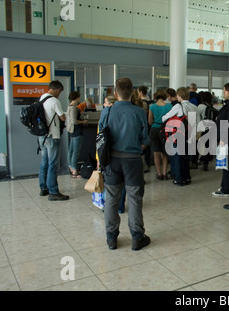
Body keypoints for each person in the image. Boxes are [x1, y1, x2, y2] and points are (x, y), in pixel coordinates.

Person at [98, 77, 150, 251]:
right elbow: (145, 139)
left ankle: (111, 237)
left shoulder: (107, 112)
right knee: (135, 199)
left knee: (112, 198)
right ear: (133, 91)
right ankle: (137, 236)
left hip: (112, 160)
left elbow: (100, 138)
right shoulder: (139, 112)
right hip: (133, 160)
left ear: (115, 92)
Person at [162, 86, 200, 186]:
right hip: (191, 137)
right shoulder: (195, 107)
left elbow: (164, 118)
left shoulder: (178, 107)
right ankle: (187, 177)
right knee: (186, 159)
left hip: (179, 136)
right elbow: (199, 123)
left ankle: (179, 179)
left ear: (179, 96)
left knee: (178, 158)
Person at [38, 80, 70, 201]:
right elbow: (62, 117)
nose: (59, 94)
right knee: (53, 164)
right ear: (57, 89)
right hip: (52, 135)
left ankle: (43, 188)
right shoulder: (54, 101)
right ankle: (53, 191)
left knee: (44, 162)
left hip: (42, 136)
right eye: (60, 92)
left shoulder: (41, 98)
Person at [212, 83, 229, 196]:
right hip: (228, 137)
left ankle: (226, 189)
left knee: (227, 163)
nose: (224, 92)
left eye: (225, 90)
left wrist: (223, 138)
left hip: (227, 139)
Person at [149, 93, 172, 180]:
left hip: (154, 129)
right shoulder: (169, 106)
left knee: (156, 152)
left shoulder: (152, 107)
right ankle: (164, 173)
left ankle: (159, 173)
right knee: (164, 152)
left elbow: (150, 121)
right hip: (166, 129)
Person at [66, 91, 88, 178]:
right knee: (75, 151)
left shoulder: (69, 107)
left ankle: (71, 167)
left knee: (71, 151)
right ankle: (74, 170)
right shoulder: (74, 108)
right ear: (77, 97)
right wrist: (83, 121)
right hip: (77, 131)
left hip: (71, 131)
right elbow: (74, 121)